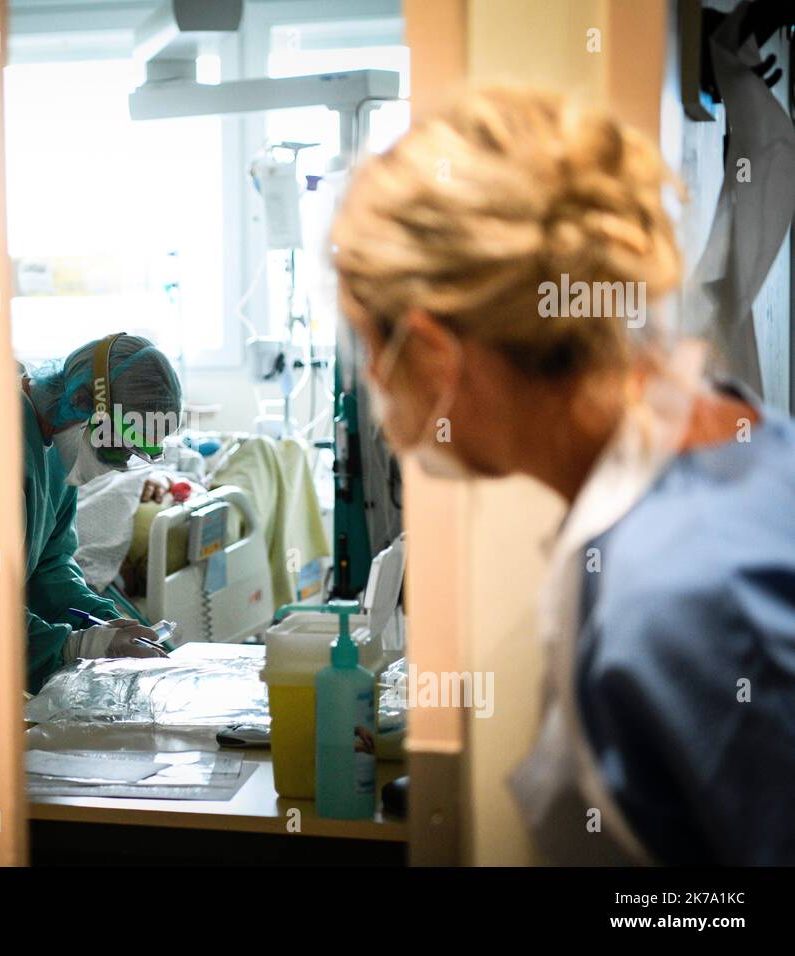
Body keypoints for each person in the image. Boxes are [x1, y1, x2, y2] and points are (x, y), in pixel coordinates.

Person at [331, 87, 795, 864]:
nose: (378, 392)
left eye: (372, 351)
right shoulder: (740, 447)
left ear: (438, 356)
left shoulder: (683, 597)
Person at [20, 333, 183, 691]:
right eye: (118, 447)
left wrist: (103, 622)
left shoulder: (58, 453)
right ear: (82, 402)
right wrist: (74, 646)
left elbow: (49, 566)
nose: (121, 462)